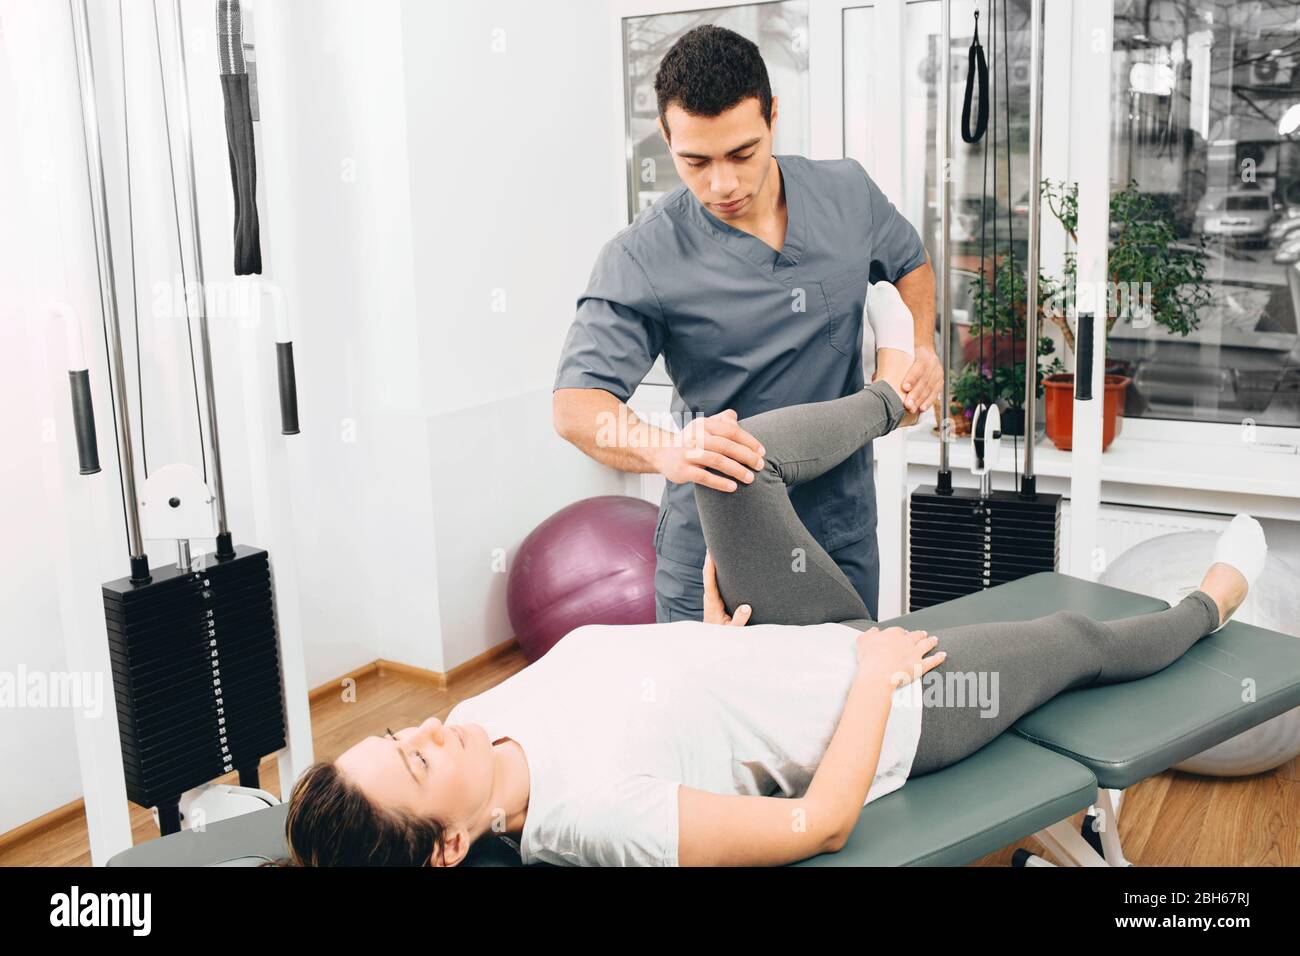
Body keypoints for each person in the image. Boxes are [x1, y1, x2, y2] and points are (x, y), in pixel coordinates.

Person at [282, 294, 1268, 867]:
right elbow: (817, 822)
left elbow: (629, 686)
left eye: (396, 732)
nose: (425, 728)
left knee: (725, 457)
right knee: (1074, 636)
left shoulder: (482, 720)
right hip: (883, 700)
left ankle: (894, 393)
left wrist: (711, 643)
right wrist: (879, 683)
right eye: (414, 762)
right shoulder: (598, 814)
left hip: (766, 633)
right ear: (449, 844)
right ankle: (1209, 598)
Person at [552, 24, 940, 622]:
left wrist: (921, 347)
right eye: (695, 161)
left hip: (839, 532)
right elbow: (577, 406)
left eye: (742, 153)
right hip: (717, 552)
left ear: (773, 117)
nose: (723, 183)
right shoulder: (641, 256)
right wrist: (665, 450)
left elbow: (909, 262)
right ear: (666, 136)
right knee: (715, 715)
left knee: (850, 708)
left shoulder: (846, 192)